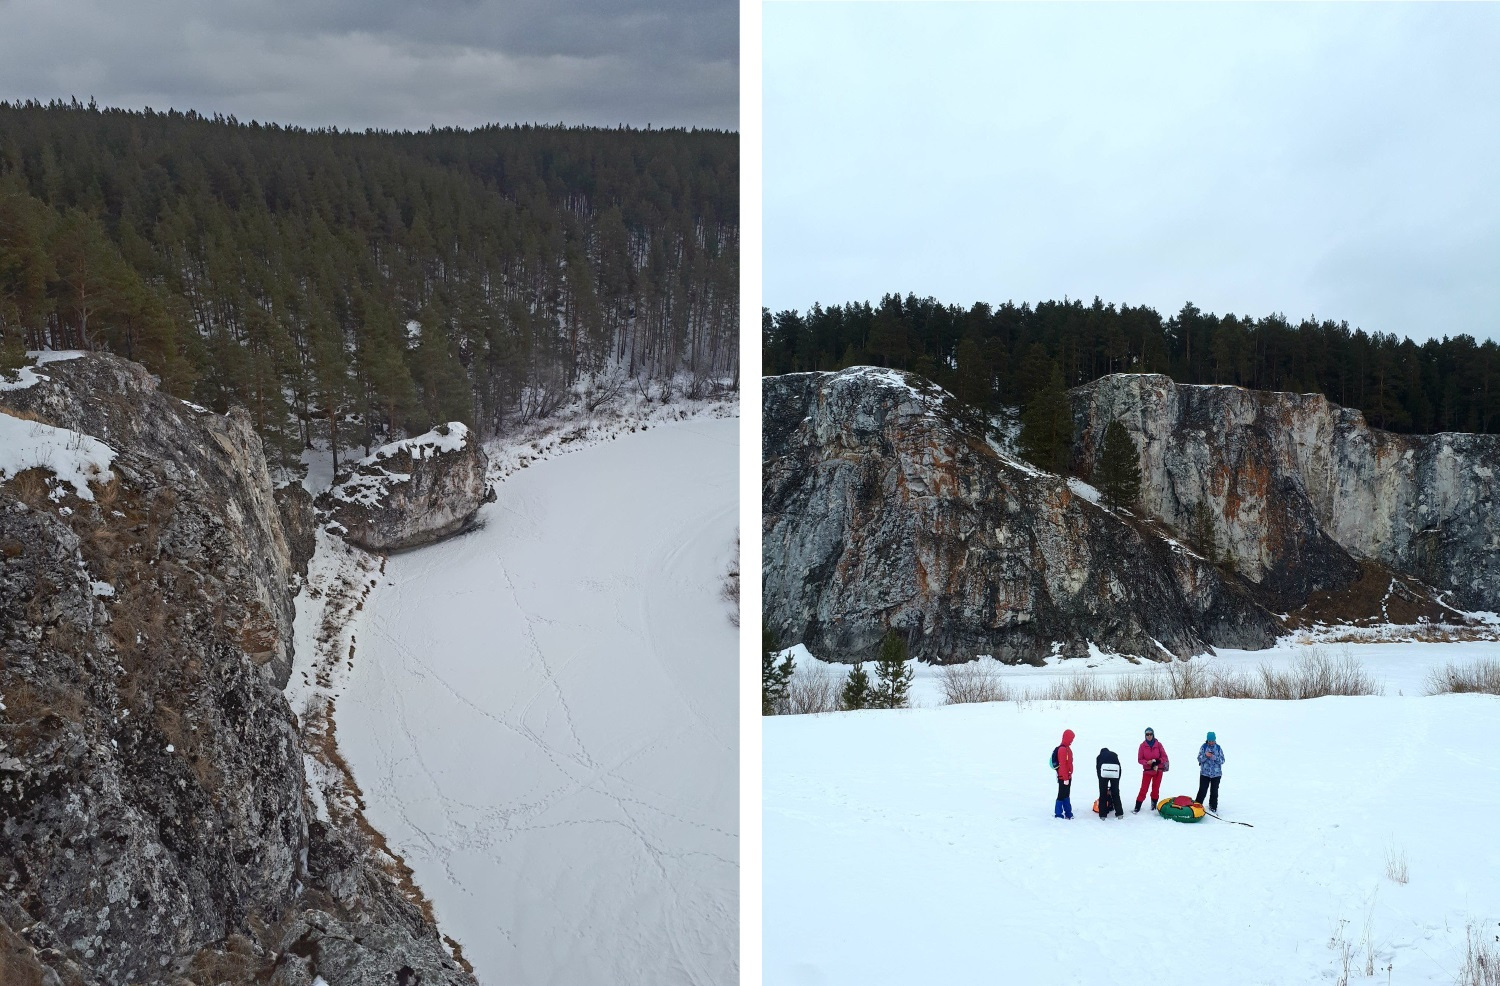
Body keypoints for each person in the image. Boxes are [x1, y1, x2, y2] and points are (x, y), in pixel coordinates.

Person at [1133, 727, 1169, 813]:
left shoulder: (1158, 745)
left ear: (1153, 734)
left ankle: (1153, 806)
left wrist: (1158, 761)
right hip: (1147, 771)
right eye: (1147, 734)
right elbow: (1139, 759)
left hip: (1158, 770)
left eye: (1150, 734)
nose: (1149, 736)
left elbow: (1165, 757)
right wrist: (1147, 762)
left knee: (1156, 789)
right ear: (1145, 735)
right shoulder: (1142, 746)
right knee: (1143, 789)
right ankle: (1137, 807)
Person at [1196, 731, 1224, 811]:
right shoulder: (1203, 747)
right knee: (1202, 790)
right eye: (1209, 741)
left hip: (1216, 774)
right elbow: (1199, 758)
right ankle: (1197, 806)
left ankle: (1213, 807)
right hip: (1204, 774)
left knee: (1214, 792)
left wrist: (1214, 757)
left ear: (1215, 740)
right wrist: (1205, 755)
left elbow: (1222, 760)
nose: (1211, 742)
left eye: (1212, 741)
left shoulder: (1218, 748)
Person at [1096, 747, 1124, 819]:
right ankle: (1119, 813)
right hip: (1115, 773)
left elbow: (1098, 768)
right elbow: (1119, 767)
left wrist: (1101, 780)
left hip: (1104, 774)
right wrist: (1117, 780)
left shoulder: (1099, 756)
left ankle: (1102, 815)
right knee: (1115, 793)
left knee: (1103, 793)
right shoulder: (1114, 755)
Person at [1053, 728, 1075, 819]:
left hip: (1068, 776)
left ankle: (1068, 812)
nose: (1072, 741)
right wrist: (1065, 778)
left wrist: (1069, 775)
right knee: (1061, 794)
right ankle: (1058, 813)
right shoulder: (1062, 749)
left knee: (1066, 794)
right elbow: (1062, 765)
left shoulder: (1068, 749)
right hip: (1063, 777)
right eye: (1071, 739)